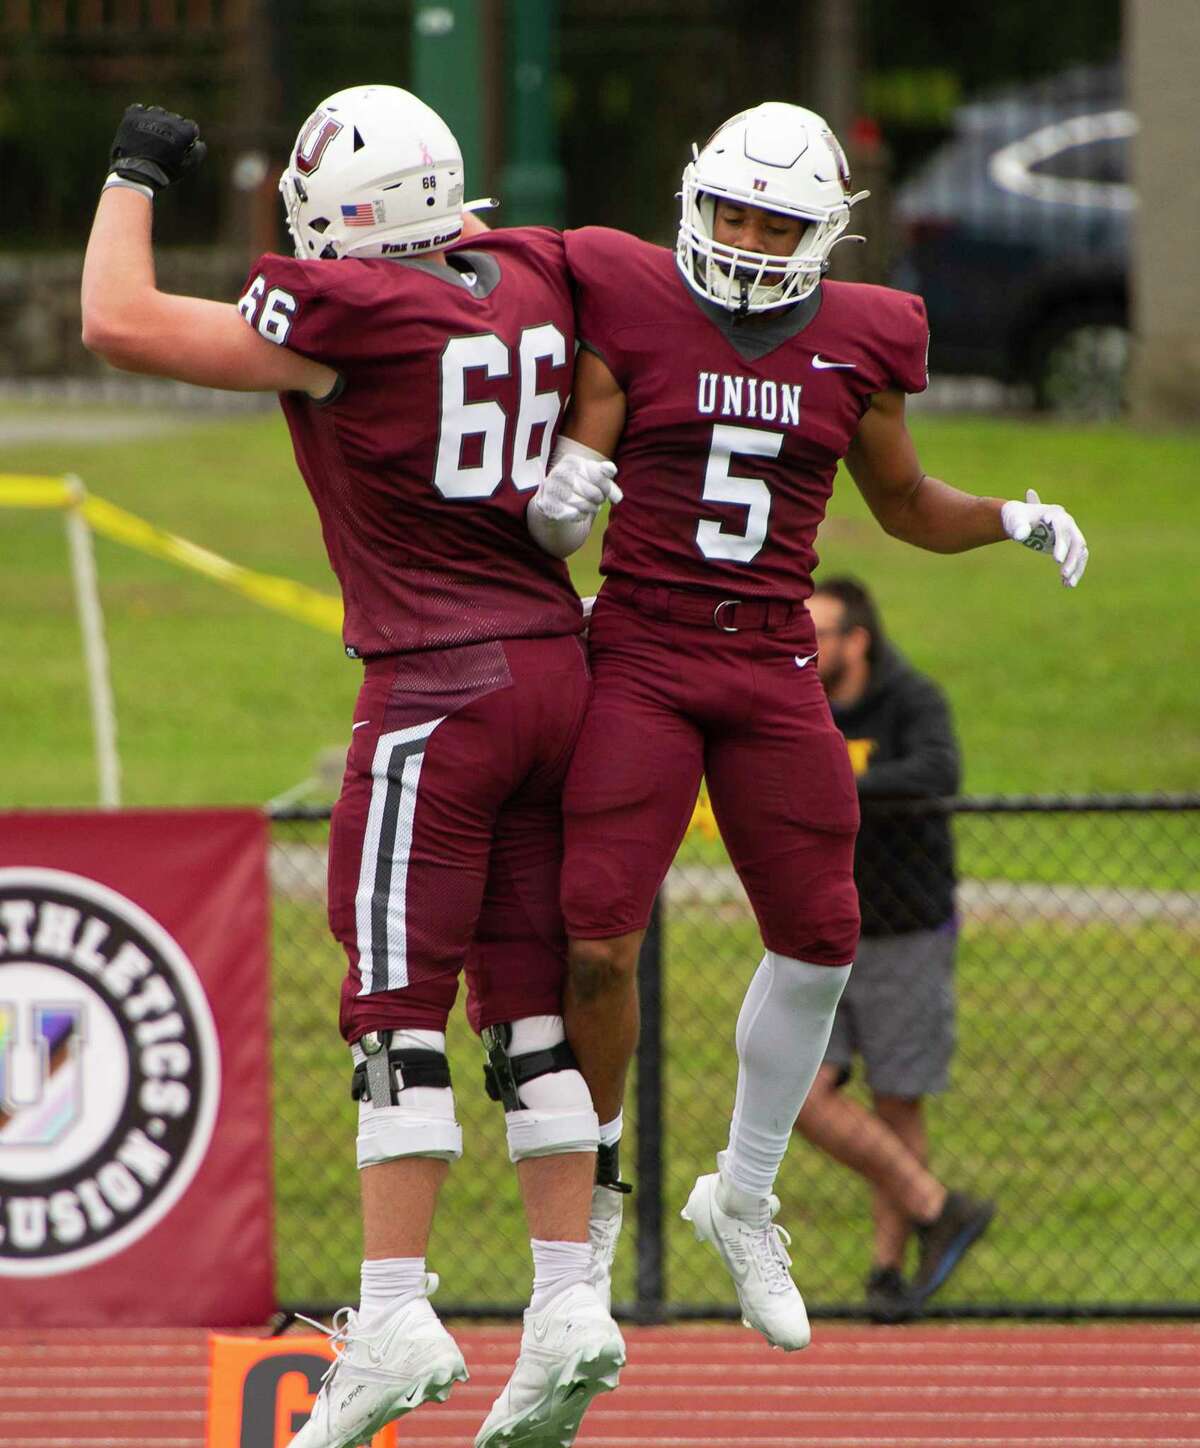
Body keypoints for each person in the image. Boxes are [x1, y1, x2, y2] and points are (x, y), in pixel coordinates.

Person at [81, 91, 624, 1448]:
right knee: (528, 1009)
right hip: (563, 675)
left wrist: (138, 169)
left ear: (337, 224)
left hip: (439, 691)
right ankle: (569, 1299)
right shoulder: (538, 268)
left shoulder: (351, 321)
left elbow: (119, 320)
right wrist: (584, 457)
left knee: (393, 1012)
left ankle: (392, 1315)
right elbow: (576, 315)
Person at [526, 100, 1088, 1350]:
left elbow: (902, 502)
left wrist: (1011, 515)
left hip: (774, 656)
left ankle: (745, 1190)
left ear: (825, 232)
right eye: (731, 209)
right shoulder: (629, 297)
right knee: (599, 941)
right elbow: (563, 511)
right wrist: (560, 506)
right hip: (645, 650)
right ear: (694, 198)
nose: (745, 236)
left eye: (776, 221)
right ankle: (601, 1193)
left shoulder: (864, 335)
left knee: (825, 939)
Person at [793, 577, 992, 1324]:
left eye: (819, 633)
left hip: (906, 931)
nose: (805, 647)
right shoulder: (796, 697)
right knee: (805, 1097)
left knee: (895, 1098)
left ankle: (889, 1272)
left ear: (857, 640)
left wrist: (842, 781)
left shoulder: (912, 699)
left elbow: (938, 773)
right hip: (820, 933)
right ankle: (940, 1208)